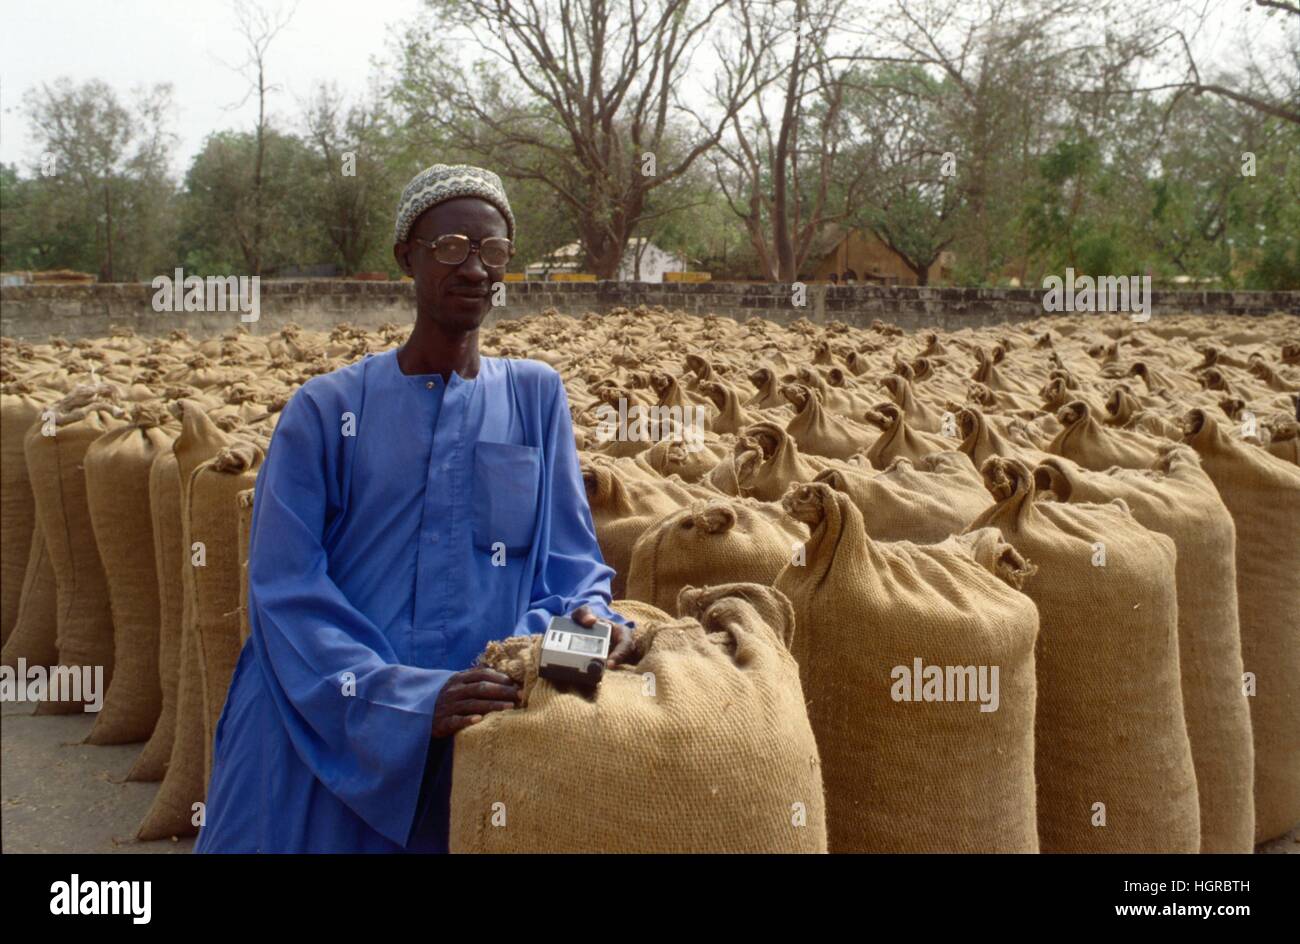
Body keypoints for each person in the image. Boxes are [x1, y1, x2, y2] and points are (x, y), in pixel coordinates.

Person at [196, 164, 636, 853]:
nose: (475, 269)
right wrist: (405, 702)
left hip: (482, 736)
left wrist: (589, 636)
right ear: (407, 256)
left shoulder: (534, 398)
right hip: (323, 745)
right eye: (451, 246)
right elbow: (284, 593)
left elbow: (572, 573)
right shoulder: (327, 410)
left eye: (493, 251)